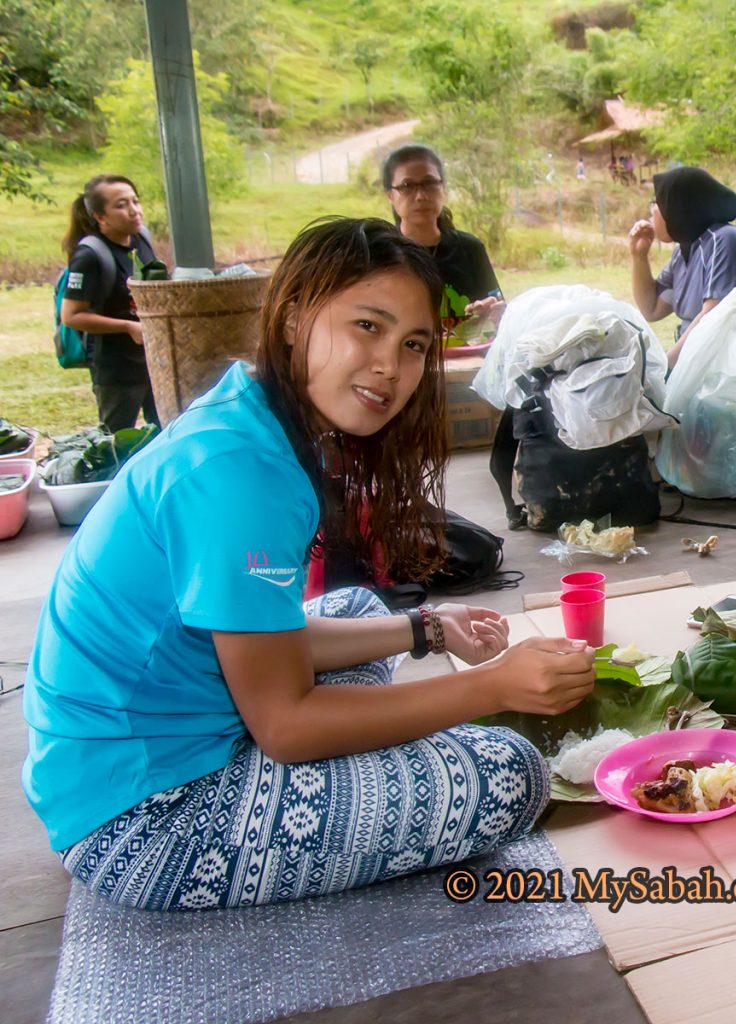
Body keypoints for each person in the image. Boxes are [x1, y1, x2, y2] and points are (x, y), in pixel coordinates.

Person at [23, 218, 597, 911]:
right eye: (367, 326)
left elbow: (273, 639)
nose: (392, 364)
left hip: (137, 749)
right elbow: (287, 729)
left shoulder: (249, 416)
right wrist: (494, 688)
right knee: (509, 774)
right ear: (295, 317)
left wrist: (427, 630)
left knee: (359, 607)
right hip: (143, 818)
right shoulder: (241, 475)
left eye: (414, 344)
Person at [628, 166, 736, 370]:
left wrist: (664, 368)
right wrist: (639, 256)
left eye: (657, 202)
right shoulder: (684, 252)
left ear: (676, 207)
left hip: (734, 371)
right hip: (702, 365)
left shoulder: (725, 240)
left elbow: (714, 319)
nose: (652, 211)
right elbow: (651, 308)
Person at [59, 174, 161, 432]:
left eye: (135, 201)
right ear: (99, 217)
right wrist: (128, 327)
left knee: (166, 431)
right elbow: (71, 315)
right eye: (121, 205)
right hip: (116, 370)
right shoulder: (90, 256)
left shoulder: (141, 240)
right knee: (117, 440)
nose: (133, 210)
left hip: (155, 361)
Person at [381, 143, 504, 335]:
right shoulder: (379, 254)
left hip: (469, 361)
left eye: (429, 184)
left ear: (442, 188)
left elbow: (496, 306)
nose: (421, 196)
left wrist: (494, 311)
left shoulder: (470, 249)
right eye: (407, 186)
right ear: (390, 195)